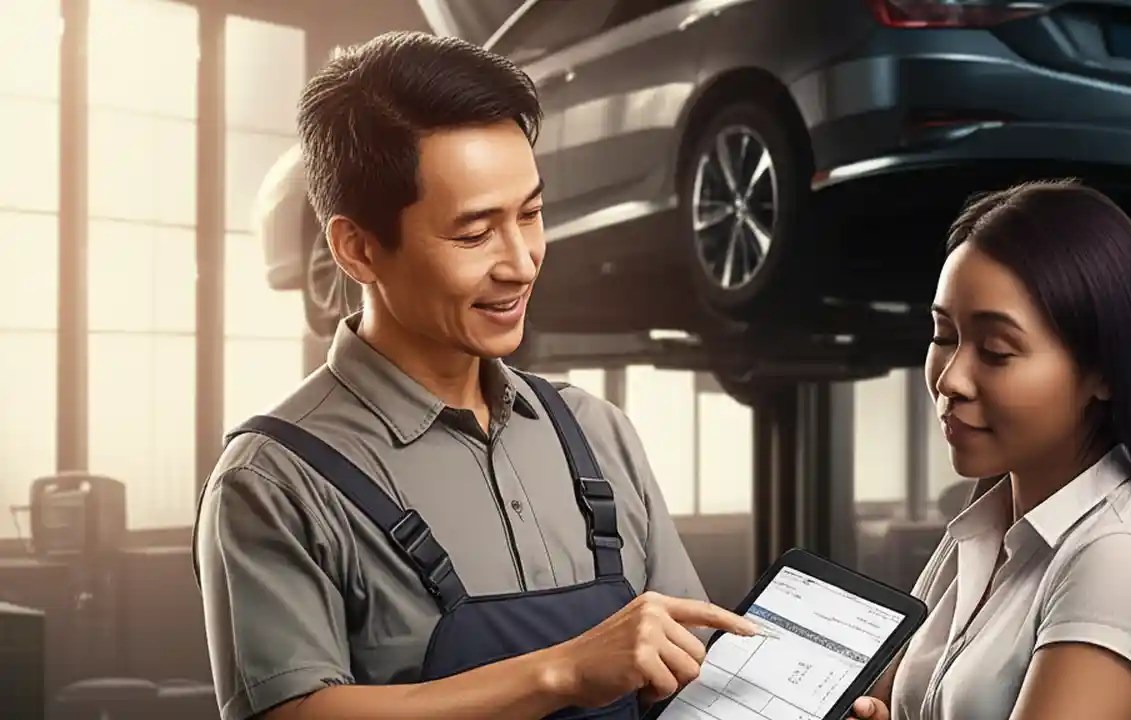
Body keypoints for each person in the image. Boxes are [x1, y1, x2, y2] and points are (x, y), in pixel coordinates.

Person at [194, 31, 758, 720]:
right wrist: (561, 673)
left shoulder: (595, 433)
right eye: (474, 233)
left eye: (532, 214)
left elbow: (688, 678)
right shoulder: (273, 480)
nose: (520, 262)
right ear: (358, 248)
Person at [849, 180, 1131, 720]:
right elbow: (883, 699)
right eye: (943, 336)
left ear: (1103, 371)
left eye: (995, 350)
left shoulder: (1127, 557)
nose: (951, 379)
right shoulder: (982, 532)